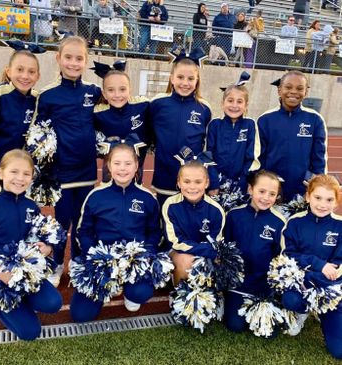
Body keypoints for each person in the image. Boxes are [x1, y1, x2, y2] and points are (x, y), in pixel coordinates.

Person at [31, 36, 101, 287]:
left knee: (84, 222)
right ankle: (58, 262)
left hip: (87, 172)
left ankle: (79, 263)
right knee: (61, 222)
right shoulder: (47, 96)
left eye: (79, 58)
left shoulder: (93, 92)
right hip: (61, 175)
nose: (73, 63)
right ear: (58, 59)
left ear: (86, 61)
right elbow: (38, 134)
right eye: (68, 57)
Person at [70, 142, 161, 321]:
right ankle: (107, 286)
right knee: (80, 315)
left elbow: (154, 232)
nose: (122, 168)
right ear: (109, 166)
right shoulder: (95, 195)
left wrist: (145, 254)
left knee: (141, 292)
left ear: (136, 166)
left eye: (128, 163)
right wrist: (94, 256)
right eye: (117, 163)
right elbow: (83, 231)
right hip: (102, 262)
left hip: (134, 262)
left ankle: (129, 291)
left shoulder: (148, 197)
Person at [0, 149, 62, 340]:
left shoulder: (31, 206)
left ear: (32, 177)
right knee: (30, 333)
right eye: (14, 172)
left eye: (26, 174)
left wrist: (48, 248)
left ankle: (23, 299)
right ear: (0, 173)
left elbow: (41, 236)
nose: (20, 178)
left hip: (24, 271)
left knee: (53, 303)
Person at [281, 174, 342, 359]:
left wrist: (325, 282)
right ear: (308, 197)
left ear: (337, 202)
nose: (322, 204)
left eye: (329, 199)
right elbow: (289, 256)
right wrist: (319, 265)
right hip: (302, 283)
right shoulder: (294, 222)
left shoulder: (340, 226)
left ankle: (322, 311)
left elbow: (338, 265)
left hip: (329, 289)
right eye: (317, 197)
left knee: (338, 351)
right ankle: (303, 311)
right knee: (290, 300)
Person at [223, 170, 285, 334]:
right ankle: (229, 300)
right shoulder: (234, 215)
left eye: (272, 194)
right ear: (250, 189)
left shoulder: (279, 222)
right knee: (235, 326)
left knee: (270, 332)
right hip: (238, 284)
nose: (266, 198)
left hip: (263, 287)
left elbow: (281, 258)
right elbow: (225, 248)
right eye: (261, 191)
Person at [0, 42, 42, 197]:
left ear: (38, 76)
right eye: (19, 70)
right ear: (8, 71)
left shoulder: (37, 99)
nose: (25, 76)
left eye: (31, 72)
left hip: (18, 174)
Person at [149, 48, 212, 207]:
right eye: (180, 77)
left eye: (191, 78)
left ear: (197, 80)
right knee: (164, 220)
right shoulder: (158, 103)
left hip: (192, 182)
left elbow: (206, 144)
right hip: (164, 175)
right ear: (171, 79)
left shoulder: (204, 108)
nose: (185, 83)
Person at [257, 70, 327, 202]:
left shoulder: (315, 119)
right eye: (288, 87)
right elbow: (259, 158)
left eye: (300, 88)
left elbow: (319, 158)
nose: (293, 92)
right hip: (271, 191)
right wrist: (262, 183)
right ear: (279, 90)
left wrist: (317, 184)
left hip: (302, 191)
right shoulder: (265, 119)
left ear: (306, 92)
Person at [162, 159, 225, 285]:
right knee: (186, 261)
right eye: (186, 181)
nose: (192, 187)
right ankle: (180, 296)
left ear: (206, 183)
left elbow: (215, 243)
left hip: (206, 253)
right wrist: (203, 250)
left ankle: (204, 294)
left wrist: (207, 253)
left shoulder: (216, 210)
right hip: (179, 251)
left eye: (198, 182)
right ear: (179, 183)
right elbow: (175, 241)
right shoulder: (170, 204)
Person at [92, 60, 150, 182]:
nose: (117, 95)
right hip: (109, 179)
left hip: (136, 178)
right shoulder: (98, 113)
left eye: (122, 89)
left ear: (130, 89)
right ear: (104, 93)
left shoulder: (143, 106)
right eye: (111, 90)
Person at [206, 73, 260, 197]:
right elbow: (208, 155)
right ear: (222, 103)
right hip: (216, 186)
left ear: (246, 106)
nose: (234, 105)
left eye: (239, 102)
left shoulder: (250, 125)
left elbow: (252, 157)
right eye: (230, 100)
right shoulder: (215, 125)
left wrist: (243, 181)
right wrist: (213, 183)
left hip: (241, 185)